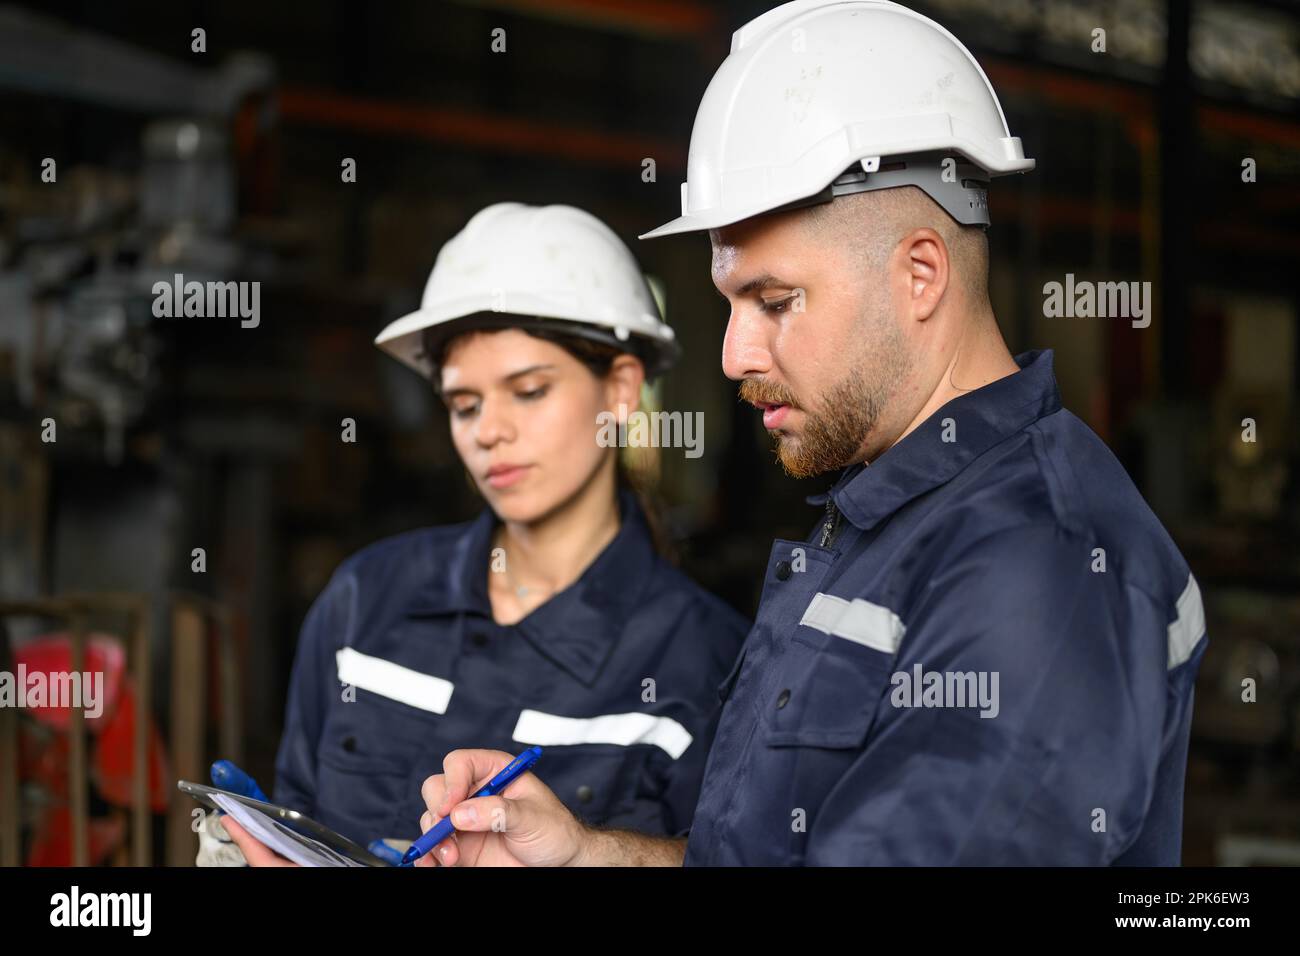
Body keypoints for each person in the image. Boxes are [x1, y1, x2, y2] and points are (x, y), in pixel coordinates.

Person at [413, 0, 1207, 867]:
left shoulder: (1043, 569)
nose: (731, 354)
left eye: (775, 301)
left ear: (919, 274)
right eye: (729, 303)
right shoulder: (892, 517)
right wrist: (585, 855)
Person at [210, 202, 750, 866]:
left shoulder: (706, 660)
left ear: (620, 390)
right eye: (465, 404)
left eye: (528, 391)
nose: (488, 430)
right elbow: (300, 815)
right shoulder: (367, 599)